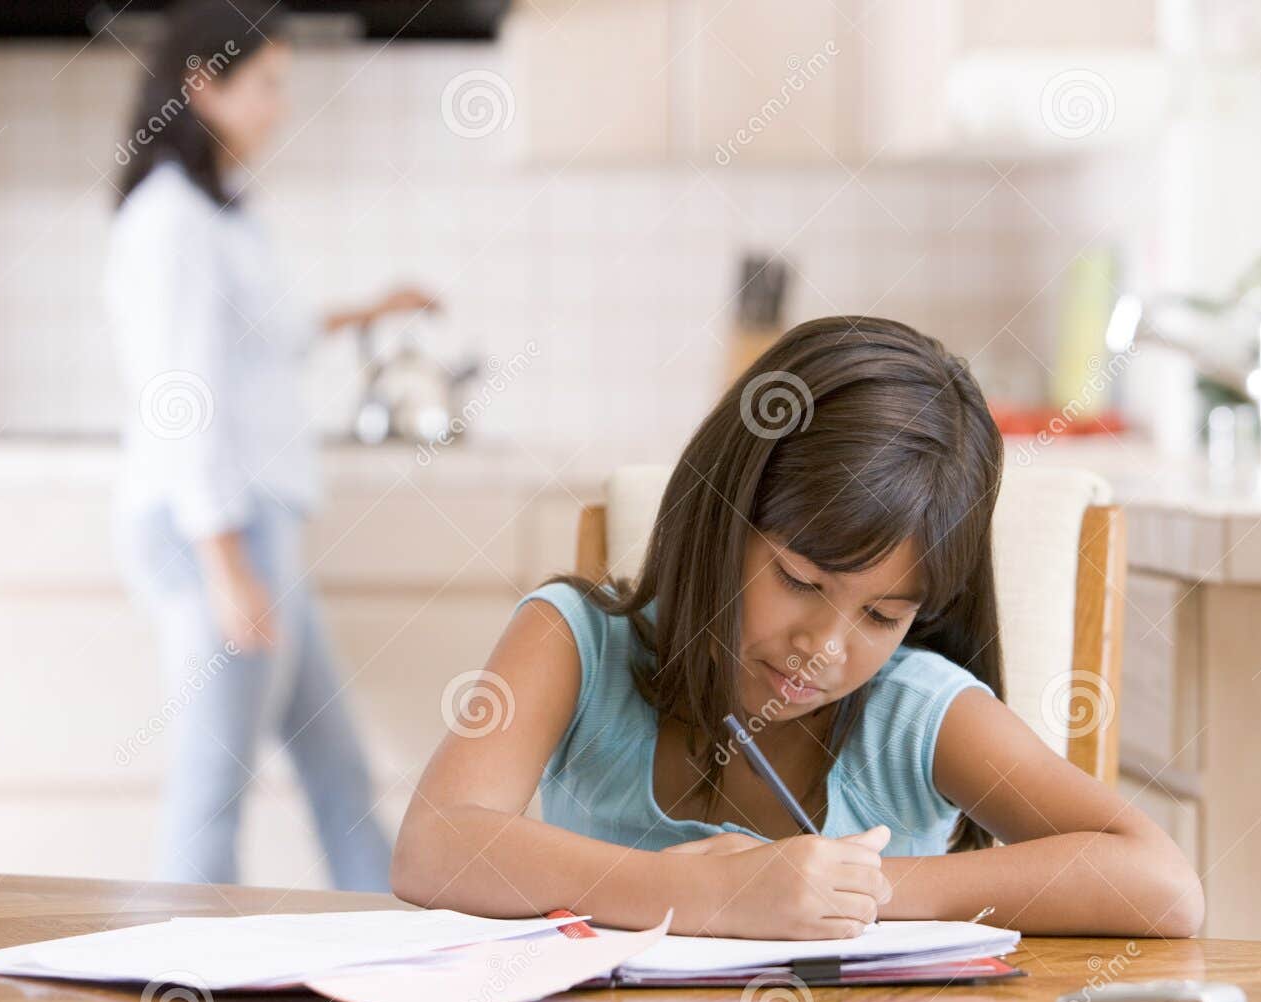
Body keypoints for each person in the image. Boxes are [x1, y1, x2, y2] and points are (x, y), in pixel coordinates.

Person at [392, 316, 1205, 939]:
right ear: (722, 517)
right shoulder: (572, 643)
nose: (825, 646)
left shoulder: (917, 712)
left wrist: (863, 891)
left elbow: (1163, 884)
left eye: (884, 615)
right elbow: (433, 844)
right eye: (800, 580)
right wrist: (712, 894)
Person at [106, 0, 426, 890]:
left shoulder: (222, 212)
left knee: (338, 768)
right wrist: (224, 562)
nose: (282, 106)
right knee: (213, 789)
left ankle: (404, 943)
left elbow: (267, 333)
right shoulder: (172, 220)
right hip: (222, 528)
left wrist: (372, 308)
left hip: (256, 528)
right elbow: (182, 399)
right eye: (269, 85)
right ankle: (177, 991)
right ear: (203, 85)